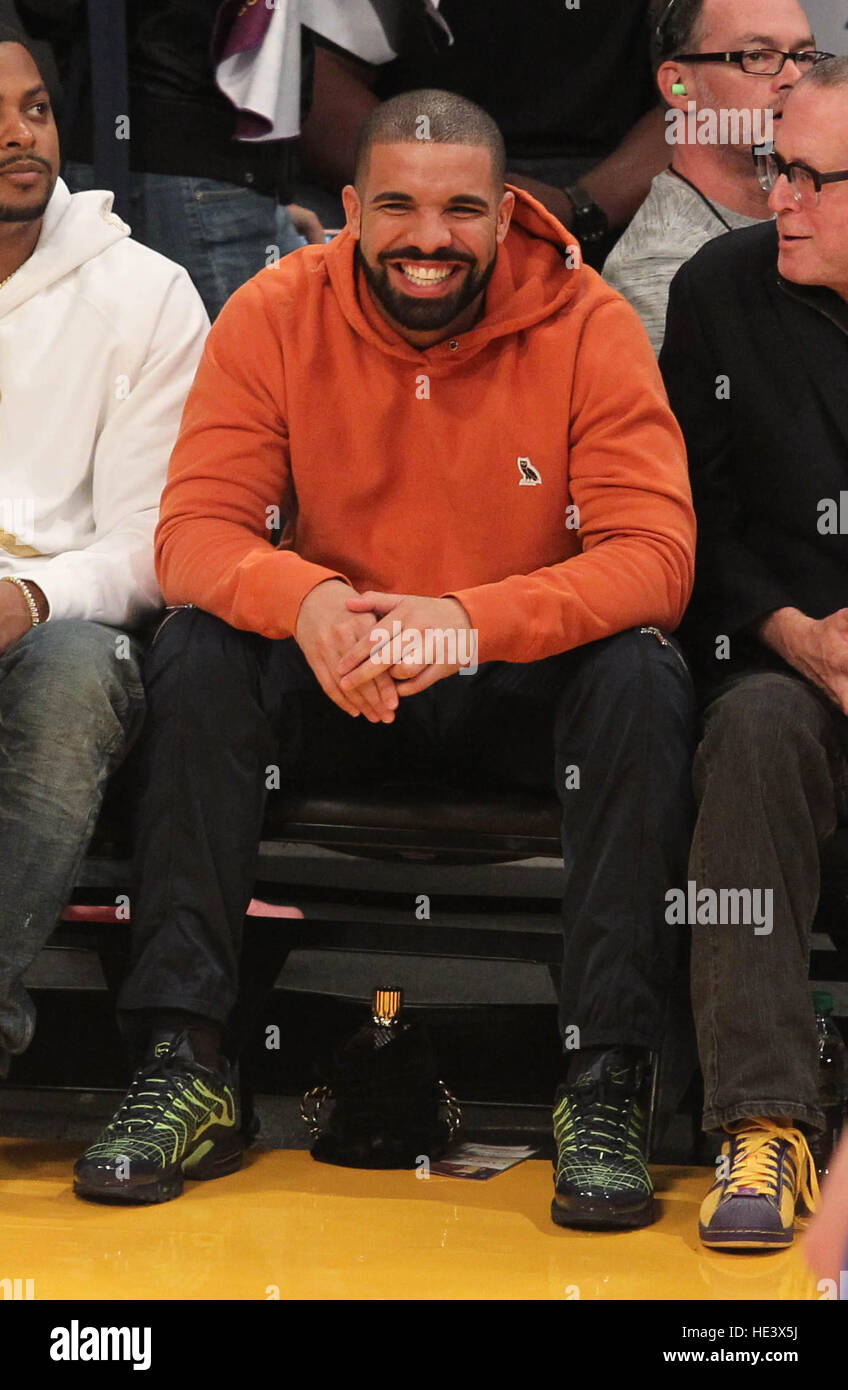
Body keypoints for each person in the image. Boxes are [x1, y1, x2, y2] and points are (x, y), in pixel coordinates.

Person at [72, 89, 696, 1225]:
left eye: (462, 209)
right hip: (336, 679)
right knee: (200, 650)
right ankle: (186, 1060)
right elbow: (194, 534)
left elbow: (653, 556)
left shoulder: (587, 320)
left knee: (640, 673)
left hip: (512, 691)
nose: (428, 239)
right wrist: (309, 601)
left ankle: (605, 1079)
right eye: (398, 206)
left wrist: (464, 619)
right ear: (349, 209)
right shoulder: (272, 312)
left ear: (504, 213)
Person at [659, 56, 848, 1250]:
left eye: (813, 181)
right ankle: (763, 1119)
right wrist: (793, 633)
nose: (777, 198)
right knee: (751, 727)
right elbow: (689, 530)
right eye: (776, 169)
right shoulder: (718, 294)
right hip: (787, 668)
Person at [0, 27, 208, 1078]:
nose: (18, 135)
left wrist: (29, 596)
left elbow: (157, 544)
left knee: (72, 673)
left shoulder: (144, 292)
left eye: (35, 108)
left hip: (62, 634)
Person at [297, 0, 673, 268]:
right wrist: (450, 195)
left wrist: (583, 208)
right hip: (412, 164)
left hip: (620, 180)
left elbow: (706, 89)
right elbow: (321, 82)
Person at [15, 0, 325, 320]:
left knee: (277, 357)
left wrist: (264, 184)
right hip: (171, 166)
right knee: (253, 362)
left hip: (225, 172)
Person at [604, 0, 825, 353]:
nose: (794, 79)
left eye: (804, 56)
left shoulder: (831, 213)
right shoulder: (657, 271)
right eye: (756, 57)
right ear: (679, 86)